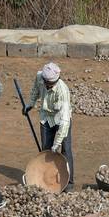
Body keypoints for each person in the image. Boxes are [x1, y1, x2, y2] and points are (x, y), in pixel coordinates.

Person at [24, 61, 74, 191]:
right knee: (46, 150)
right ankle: (44, 179)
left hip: (60, 119)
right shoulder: (40, 77)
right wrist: (30, 104)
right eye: (46, 83)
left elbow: (64, 124)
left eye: (50, 84)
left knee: (65, 150)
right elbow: (35, 89)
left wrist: (56, 144)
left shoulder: (62, 92)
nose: (47, 86)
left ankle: (69, 183)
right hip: (46, 117)